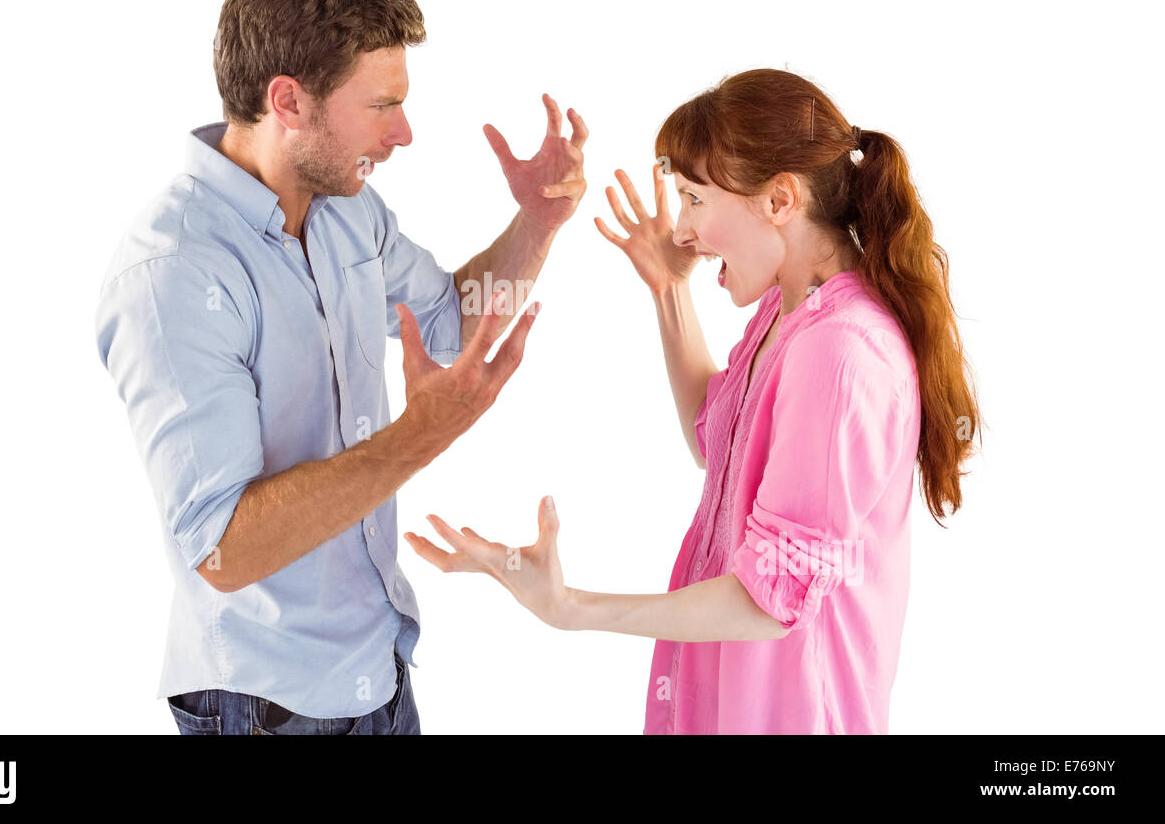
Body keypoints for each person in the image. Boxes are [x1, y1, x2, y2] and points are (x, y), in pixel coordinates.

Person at [94, 0, 589, 735]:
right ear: (287, 100)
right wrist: (417, 439)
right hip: (266, 710)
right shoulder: (174, 273)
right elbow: (224, 550)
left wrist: (537, 224)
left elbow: (451, 326)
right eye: (382, 106)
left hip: (380, 676)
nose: (404, 134)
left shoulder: (348, 211)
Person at [406, 68, 981, 734]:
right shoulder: (788, 311)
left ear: (780, 199)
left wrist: (570, 607)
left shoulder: (841, 352)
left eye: (694, 199)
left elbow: (771, 601)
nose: (681, 231)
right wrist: (668, 292)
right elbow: (720, 444)